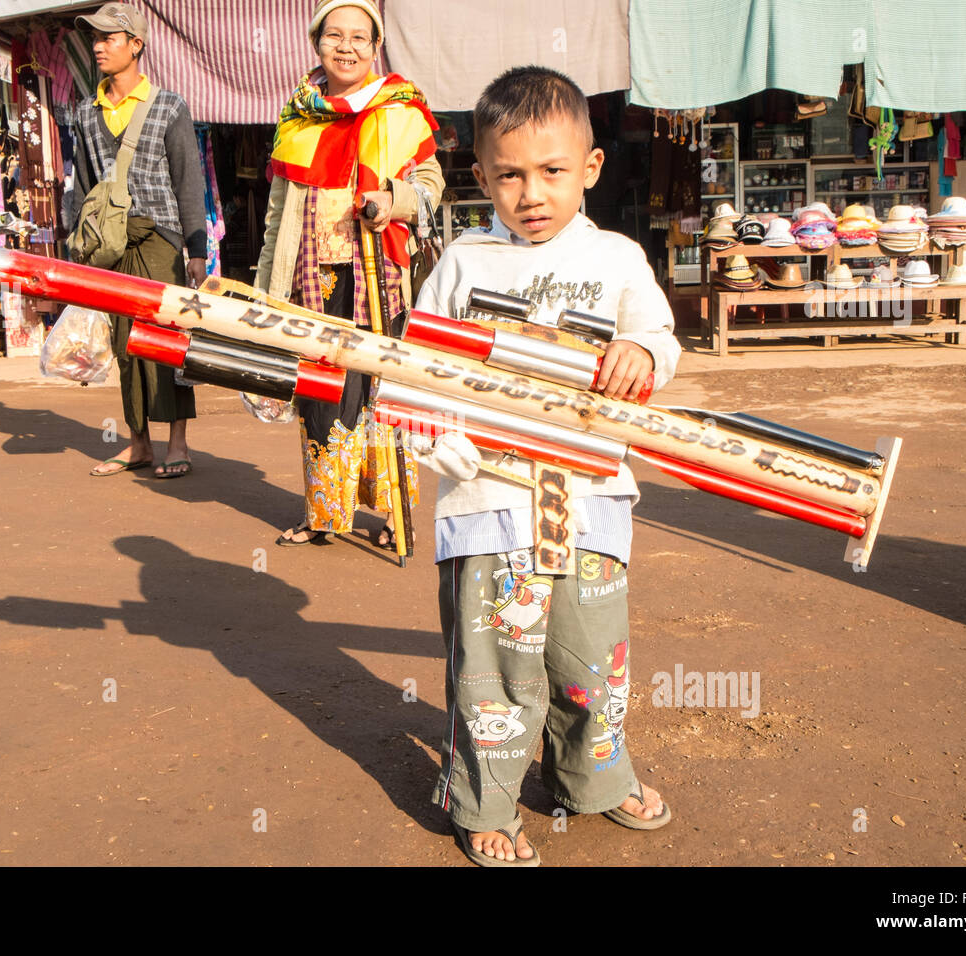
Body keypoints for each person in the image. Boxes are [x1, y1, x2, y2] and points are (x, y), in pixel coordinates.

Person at [412, 66, 683, 866]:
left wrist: (639, 350)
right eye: (510, 175)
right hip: (489, 499)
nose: (531, 193)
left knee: (590, 657)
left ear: (590, 169)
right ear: (483, 177)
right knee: (496, 663)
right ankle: (486, 802)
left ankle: (591, 780)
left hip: (593, 493)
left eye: (552, 171)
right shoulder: (462, 263)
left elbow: (661, 340)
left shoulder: (619, 259)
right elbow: (411, 366)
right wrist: (431, 431)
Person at [257, 0, 443, 546]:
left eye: (359, 37)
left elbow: (431, 187)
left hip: (379, 276)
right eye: (334, 36)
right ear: (317, 44)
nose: (347, 46)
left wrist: (394, 199)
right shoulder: (297, 114)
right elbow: (275, 217)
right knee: (318, 391)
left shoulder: (401, 109)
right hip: (311, 280)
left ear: (375, 45)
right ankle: (324, 512)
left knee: (384, 391)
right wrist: (268, 289)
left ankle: (394, 515)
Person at [72, 3, 207, 478]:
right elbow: (84, 189)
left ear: (136, 44)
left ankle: (178, 441)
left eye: (109, 37)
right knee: (125, 342)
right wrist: (81, 255)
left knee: (169, 341)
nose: (99, 46)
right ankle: (138, 443)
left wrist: (197, 252)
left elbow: (189, 182)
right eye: (96, 38)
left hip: (161, 241)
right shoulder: (85, 114)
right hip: (111, 245)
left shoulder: (169, 106)